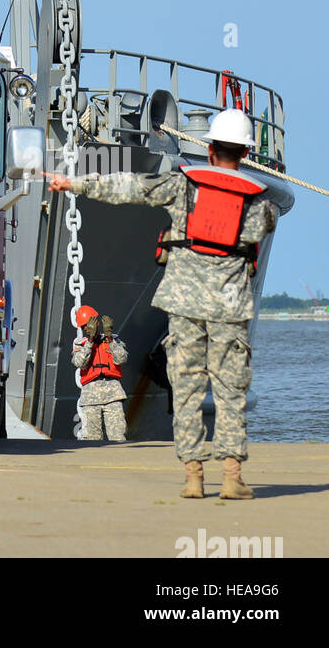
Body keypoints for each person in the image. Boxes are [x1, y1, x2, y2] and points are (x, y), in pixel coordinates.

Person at [47, 108, 276, 499]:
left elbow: (130, 187)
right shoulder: (259, 204)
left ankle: (192, 476)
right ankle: (233, 477)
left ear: (209, 147)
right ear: (244, 154)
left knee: (185, 388)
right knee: (229, 390)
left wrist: (74, 184)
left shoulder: (181, 186)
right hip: (229, 308)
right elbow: (262, 227)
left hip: (183, 306)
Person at [72, 305, 128, 442]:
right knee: (93, 440)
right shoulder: (81, 345)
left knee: (118, 437)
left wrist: (110, 339)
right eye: (84, 327)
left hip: (113, 395)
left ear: (97, 322)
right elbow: (79, 362)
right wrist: (90, 342)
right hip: (91, 397)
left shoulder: (113, 341)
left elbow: (122, 358)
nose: (87, 328)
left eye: (89, 324)